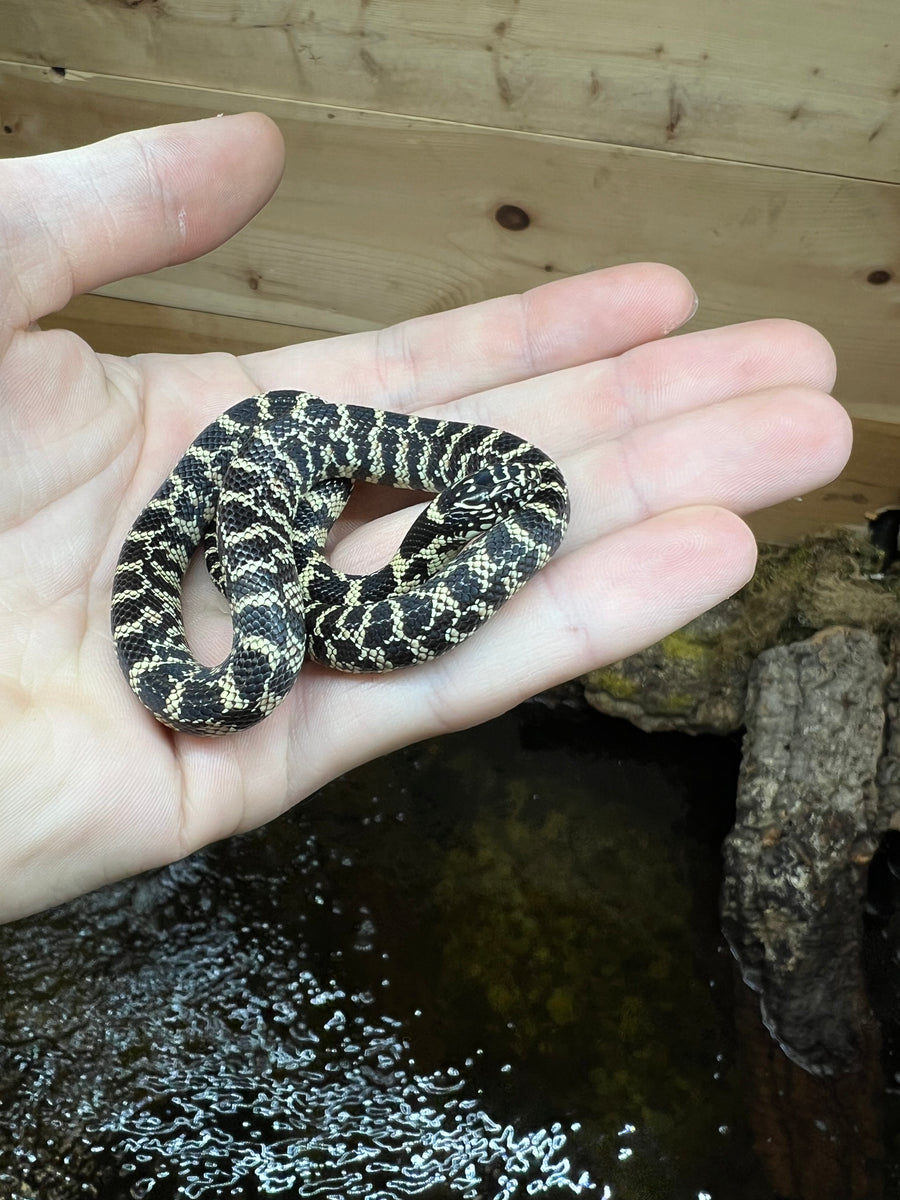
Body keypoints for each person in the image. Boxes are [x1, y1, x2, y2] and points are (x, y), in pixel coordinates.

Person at [0, 112, 850, 924]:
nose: (480, 507)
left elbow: (459, 515)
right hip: (274, 540)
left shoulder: (451, 524)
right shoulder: (296, 558)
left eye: (466, 508)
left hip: (314, 533)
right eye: (469, 509)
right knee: (287, 532)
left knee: (477, 496)